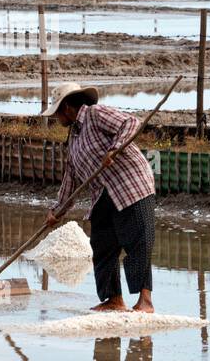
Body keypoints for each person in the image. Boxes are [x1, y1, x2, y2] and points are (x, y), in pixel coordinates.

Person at [42, 82, 157, 313]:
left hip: (130, 184)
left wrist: (114, 149)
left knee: (137, 241)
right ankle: (113, 299)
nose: (56, 118)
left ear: (66, 107)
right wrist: (58, 210)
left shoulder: (94, 115)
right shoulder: (73, 138)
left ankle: (145, 301)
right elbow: (71, 179)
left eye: (56, 113)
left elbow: (130, 122)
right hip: (103, 193)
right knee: (102, 245)